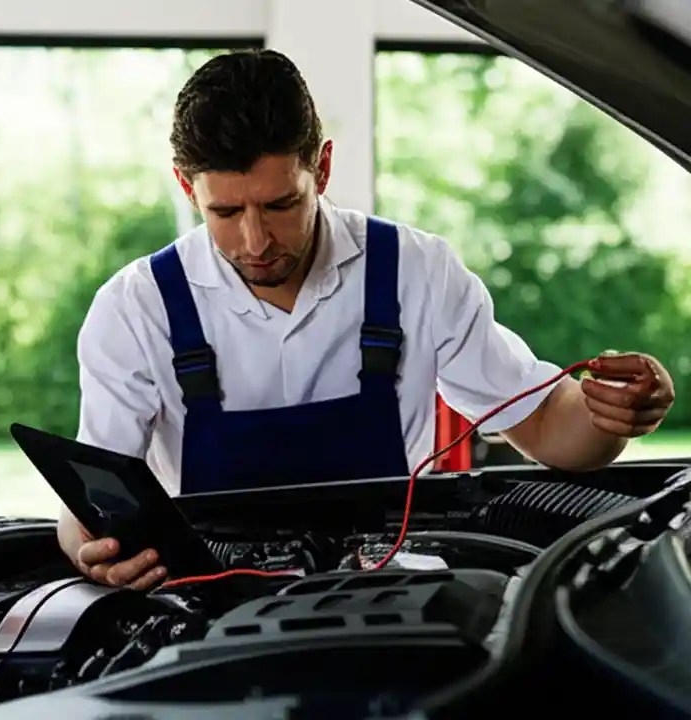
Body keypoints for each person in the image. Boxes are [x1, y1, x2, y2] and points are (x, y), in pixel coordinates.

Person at [58, 48, 677, 591]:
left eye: (280, 204)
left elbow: (544, 424)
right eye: (225, 211)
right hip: (207, 605)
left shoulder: (417, 271)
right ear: (186, 187)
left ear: (321, 168)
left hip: (391, 594)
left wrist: (610, 418)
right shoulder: (136, 307)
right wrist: (91, 549)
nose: (254, 240)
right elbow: (92, 504)